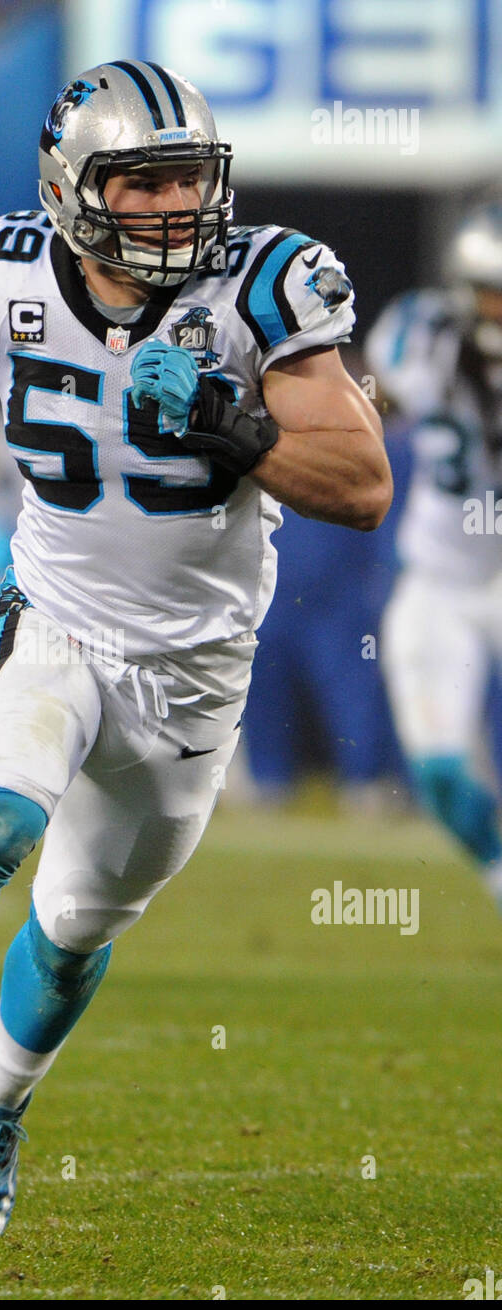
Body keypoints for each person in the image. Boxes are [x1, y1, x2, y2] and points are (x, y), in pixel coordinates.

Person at [0, 61, 391, 1235]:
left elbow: (361, 486)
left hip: (197, 672)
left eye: (186, 179)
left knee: (75, 927)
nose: (169, 206)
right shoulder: (3, 277)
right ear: (72, 189)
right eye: (139, 182)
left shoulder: (266, 290)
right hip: (53, 617)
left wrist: (223, 417)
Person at [365, 200, 502, 906]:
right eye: (492, 294)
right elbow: (366, 404)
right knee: (444, 772)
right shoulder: (418, 337)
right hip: (441, 582)